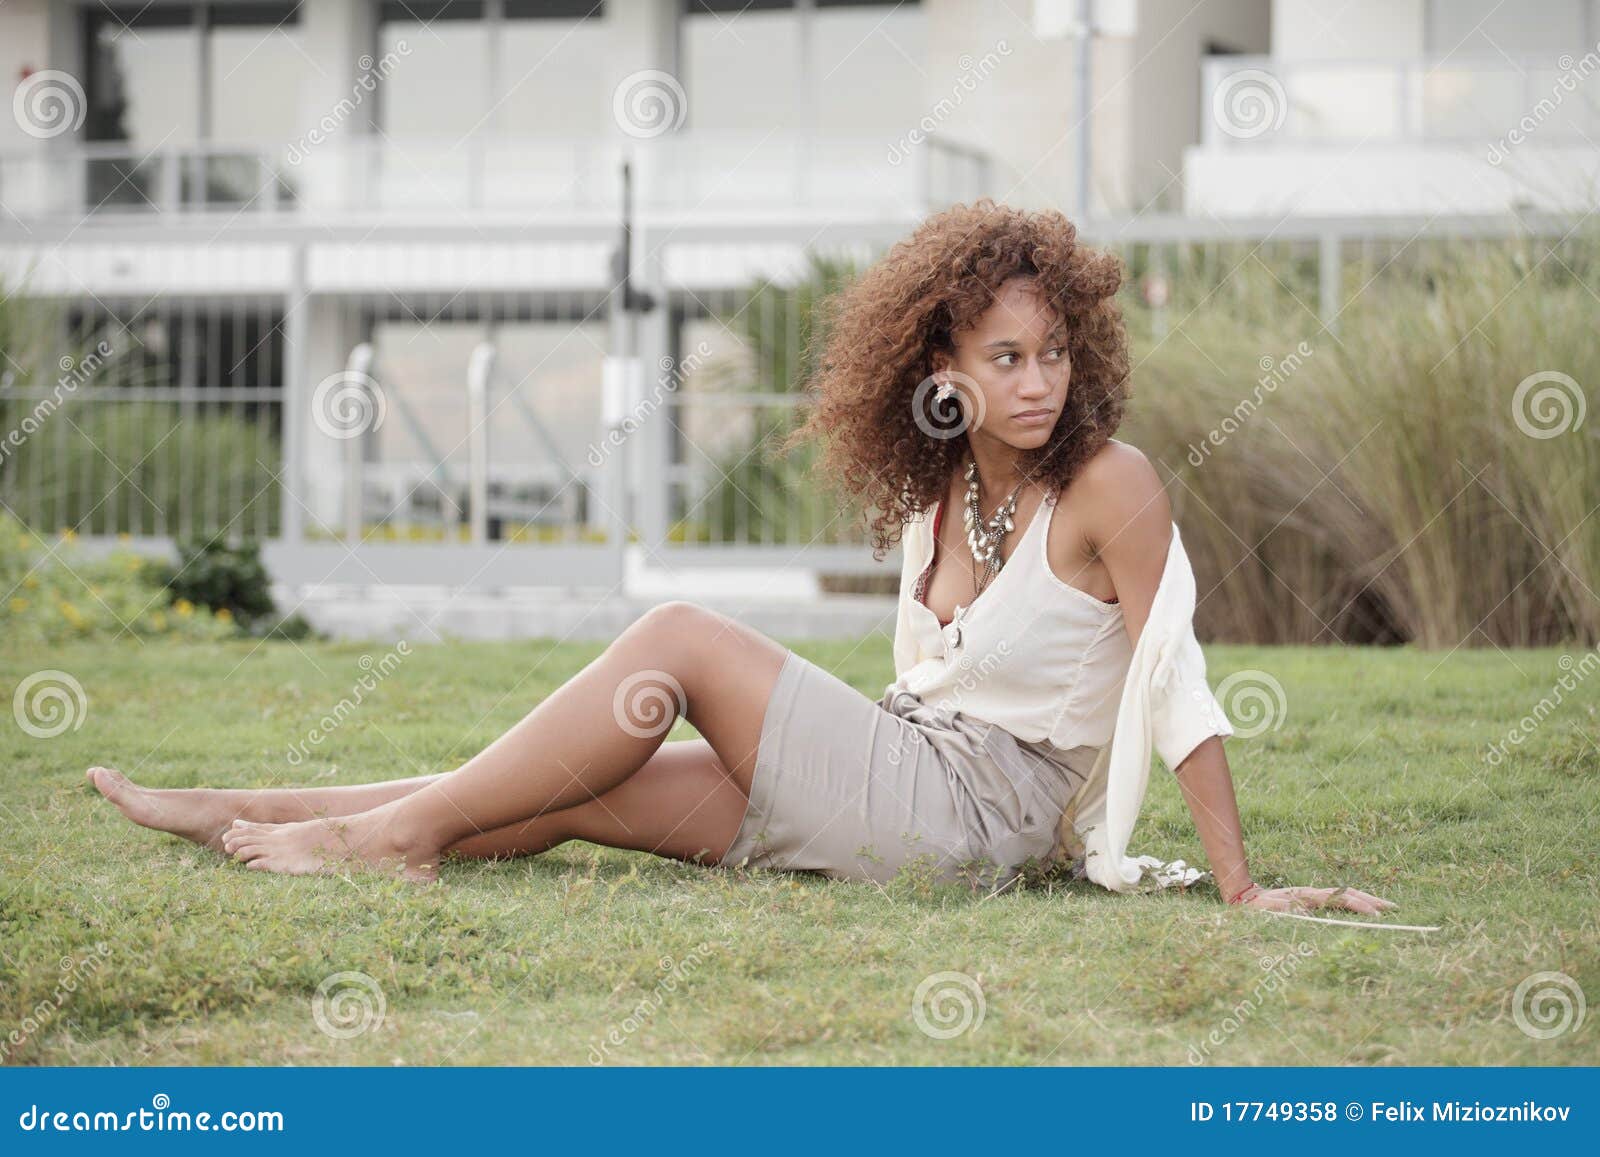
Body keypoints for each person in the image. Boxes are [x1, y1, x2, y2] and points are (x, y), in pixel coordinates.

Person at [87, 199, 1394, 917]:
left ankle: (380, 840)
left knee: (679, 639)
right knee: (569, 787)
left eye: (1055, 353)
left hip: (989, 815)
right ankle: (262, 814)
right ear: (940, 368)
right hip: (910, 771)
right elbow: (924, 689)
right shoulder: (940, 488)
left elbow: (1177, 675)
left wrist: (1241, 885)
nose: (1041, 380)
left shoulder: (1111, 485)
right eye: (1007, 357)